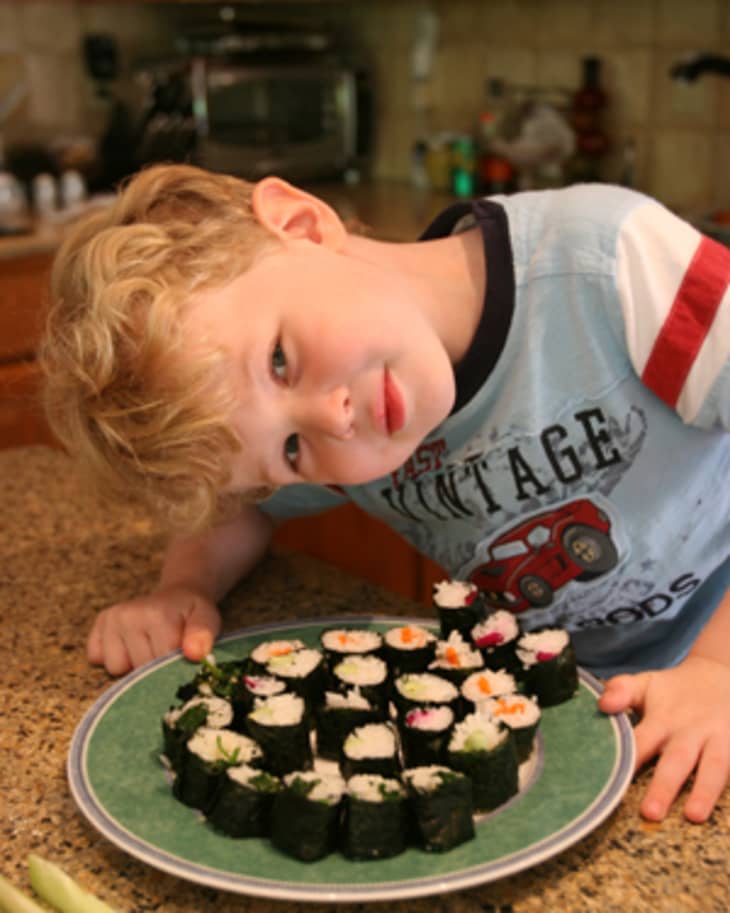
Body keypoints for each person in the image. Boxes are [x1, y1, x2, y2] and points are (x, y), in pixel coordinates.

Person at [40, 164, 729, 824]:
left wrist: (715, 669)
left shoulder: (607, 263)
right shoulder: (350, 440)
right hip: (601, 716)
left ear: (302, 224)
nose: (330, 418)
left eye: (280, 358)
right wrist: (183, 585)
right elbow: (242, 508)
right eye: (288, 450)